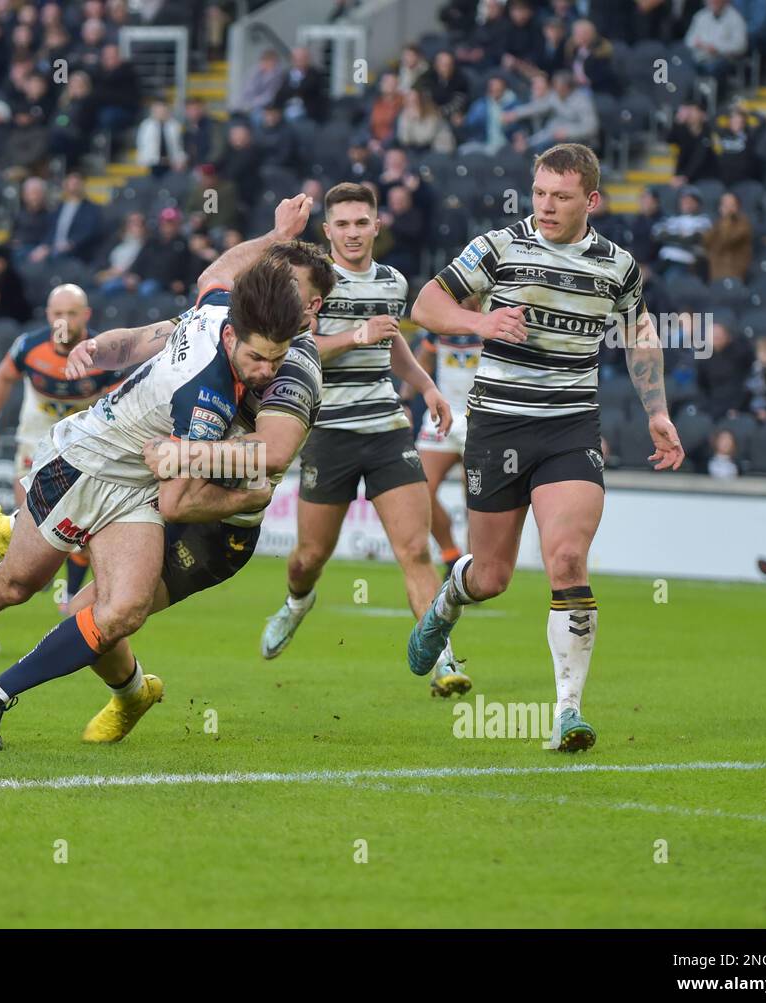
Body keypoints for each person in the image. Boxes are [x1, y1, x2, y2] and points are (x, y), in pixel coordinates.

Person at [0, 213, 336, 743]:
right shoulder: (233, 320)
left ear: (310, 308)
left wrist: (187, 454)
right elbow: (176, 316)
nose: (266, 285)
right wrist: (103, 348)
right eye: (268, 271)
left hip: (216, 522)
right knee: (97, 607)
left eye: (286, 285)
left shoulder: (294, 365)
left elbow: (272, 452)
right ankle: (125, 688)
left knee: (96, 611)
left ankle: (24, 687)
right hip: (155, 486)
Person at [408, 143, 685, 752]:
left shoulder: (618, 265)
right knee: (492, 577)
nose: (547, 206)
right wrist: (481, 323)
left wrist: (657, 412)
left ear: (591, 199)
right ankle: (448, 601)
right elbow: (426, 303)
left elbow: (640, 335)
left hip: (569, 429)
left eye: (561, 196)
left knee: (566, 561)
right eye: (539, 193)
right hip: (499, 427)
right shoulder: (500, 246)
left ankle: (567, 713)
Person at [259, 182, 466, 696]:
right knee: (308, 557)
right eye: (343, 225)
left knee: (415, 549)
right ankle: (297, 603)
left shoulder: (393, 281)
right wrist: (356, 335)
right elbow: (290, 349)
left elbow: (391, 343)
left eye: (361, 223)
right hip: (328, 432)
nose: (353, 233)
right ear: (328, 231)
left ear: (377, 226)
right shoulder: (307, 282)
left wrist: (427, 386)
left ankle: (442, 659)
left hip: (387, 429)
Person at [0, 284, 122, 602]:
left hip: (83, 429)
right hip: (37, 428)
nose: (64, 320)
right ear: (48, 315)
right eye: (58, 313)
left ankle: (69, 594)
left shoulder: (104, 353)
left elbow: (118, 404)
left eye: (71, 313)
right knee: (30, 513)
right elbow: (3, 376)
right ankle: (25, 569)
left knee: (84, 516)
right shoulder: (28, 346)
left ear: (86, 315)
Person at [408, 307, 483, 572]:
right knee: (419, 489)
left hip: (482, 419)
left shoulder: (493, 318)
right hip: (443, 415)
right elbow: (423, 359)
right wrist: (405, 400)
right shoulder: (440, 321)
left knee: (476, 500)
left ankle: (473, 572)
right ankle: (451, 556)